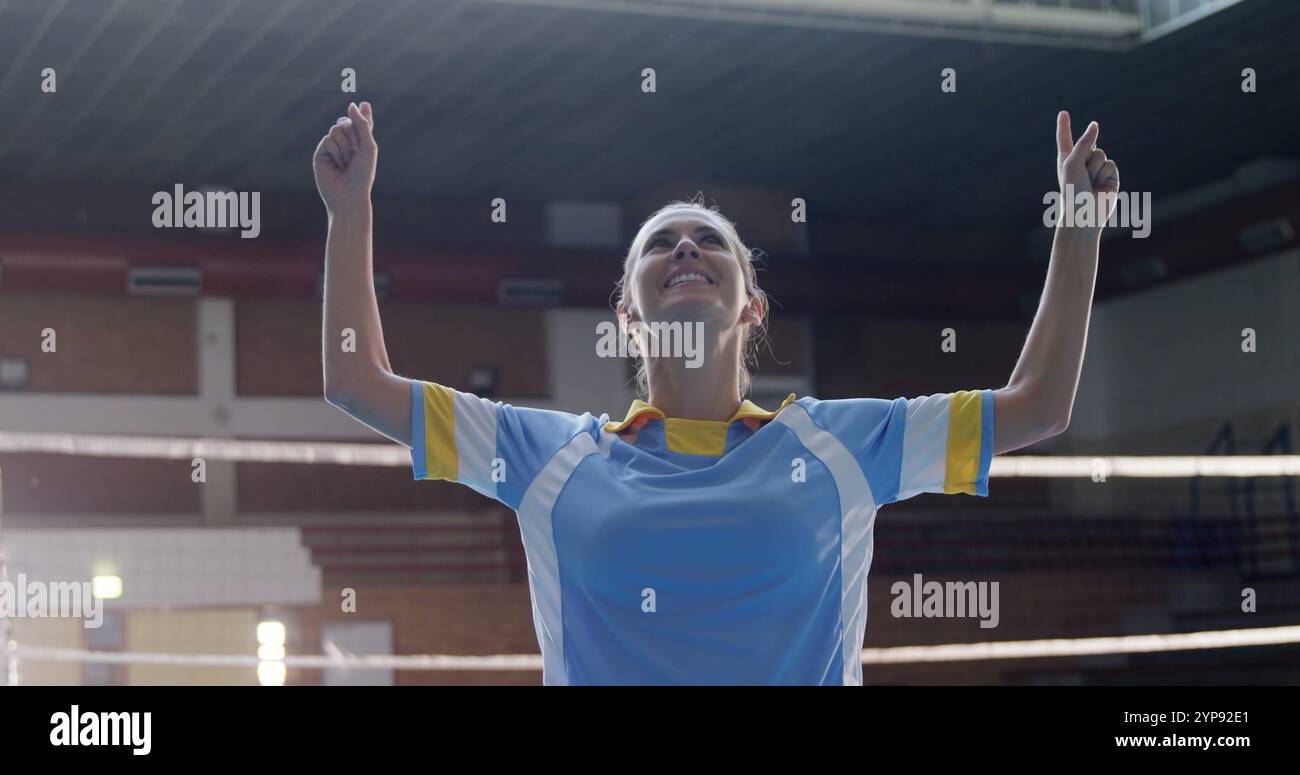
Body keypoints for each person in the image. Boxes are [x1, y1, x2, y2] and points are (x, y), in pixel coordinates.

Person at [315, 101, 1119, 685]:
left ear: (752, 305)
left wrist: (1078, 225)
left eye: (710, 243)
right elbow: (356, 382)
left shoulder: (841, 445)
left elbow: (1038, 404)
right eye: (659, 243)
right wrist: (350, 212)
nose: (686, 246)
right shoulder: (549, 456)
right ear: (629, 314)